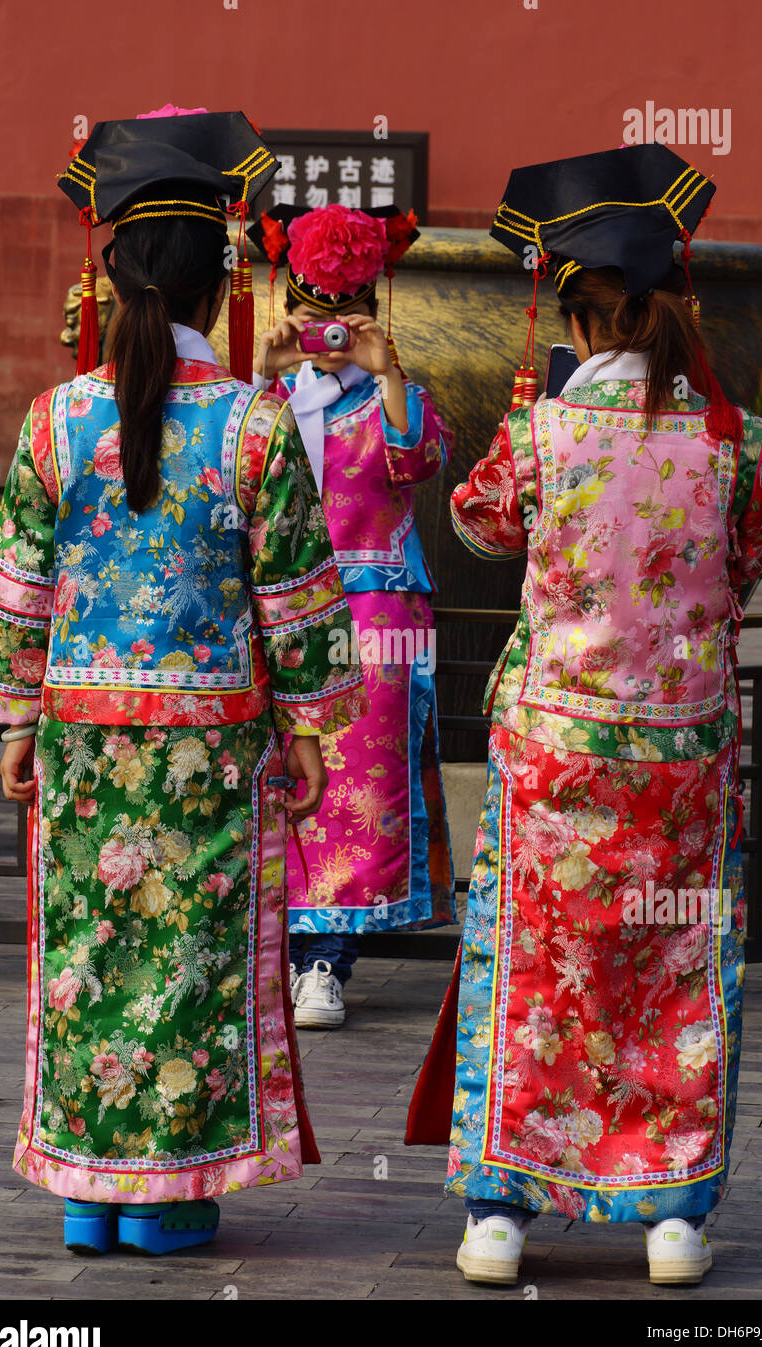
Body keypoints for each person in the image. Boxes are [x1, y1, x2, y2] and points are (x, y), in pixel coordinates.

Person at [0, 107, 366, 1257]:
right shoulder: (249, 425)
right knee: (187, 963)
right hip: (212, 752)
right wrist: (306, 726)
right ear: (216, 284)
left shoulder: (56, 418)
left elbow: (16, 590)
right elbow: (294, 588)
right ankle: (170, 1195)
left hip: (87, 741)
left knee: (90, 957)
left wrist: (17, 719)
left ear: (114, 275)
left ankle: (86, 1194)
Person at [407, 144, 762, 1287]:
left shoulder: (540, 437)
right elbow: (744, 562)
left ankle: (499, 1214)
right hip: (681, 750)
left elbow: (476, 528)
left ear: (575, 318)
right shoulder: (736, 446)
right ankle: (669, 1216)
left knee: (535, 971)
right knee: (670, 966)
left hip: (555, 753)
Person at [248, 203, 456, 1028]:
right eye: (312, 315)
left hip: (374, 610)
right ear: (286, 303)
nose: (326, 331)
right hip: (272, 609)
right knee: (275, 779)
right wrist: (255, 379)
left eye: (344, 317)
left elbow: (421, 460)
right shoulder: (258, 399)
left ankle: (326, 962)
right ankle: (272, 950)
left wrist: (391, 369)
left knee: (354, 791)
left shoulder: (392, 399)